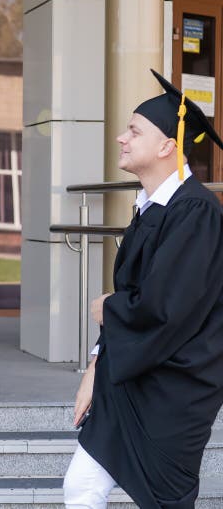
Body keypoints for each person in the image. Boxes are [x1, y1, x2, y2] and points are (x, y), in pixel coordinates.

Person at [63, 69, 223, 508]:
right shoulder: (151, 208)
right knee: (82, 486)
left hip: (174, 389)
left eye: (134, 130)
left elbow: (169, 307)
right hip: (130, 378)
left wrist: (110, 307)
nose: (121, 138)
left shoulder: (196, 212)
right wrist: (94, 371)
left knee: (164, 501)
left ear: (167, 146)